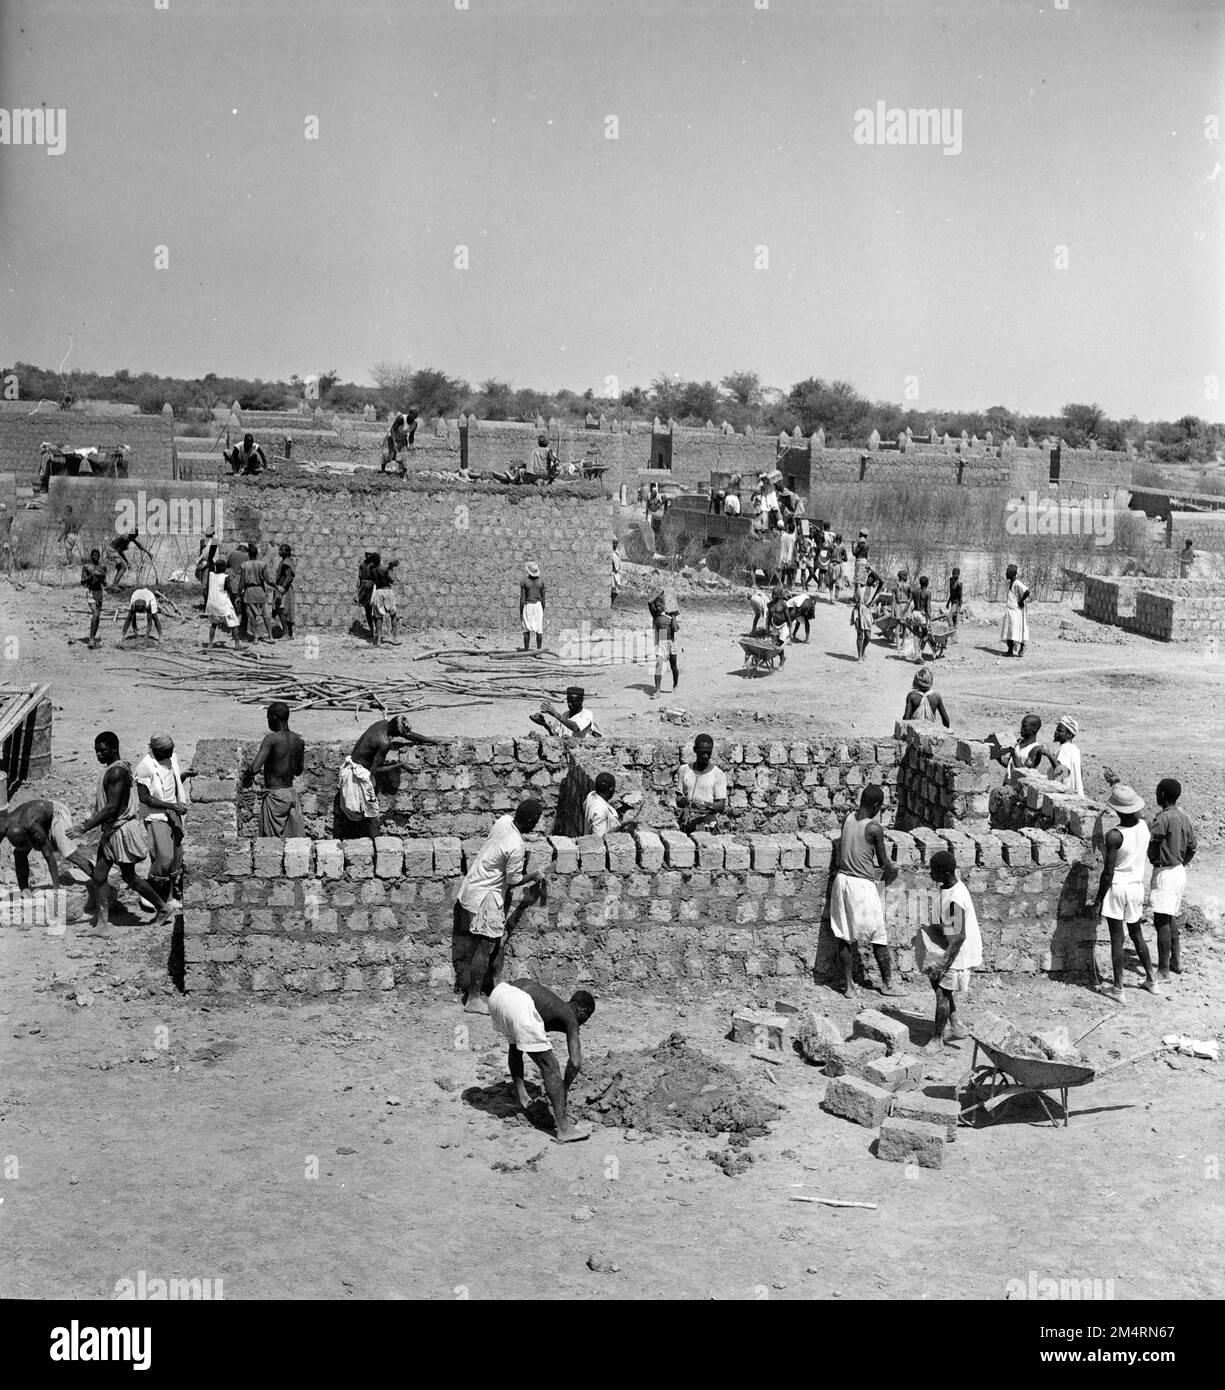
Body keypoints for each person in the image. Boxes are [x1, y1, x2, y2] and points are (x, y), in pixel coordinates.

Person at [67, 731, 173, 928]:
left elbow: (111, 808)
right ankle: (102, 925)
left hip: (120, 831)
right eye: (96, 751)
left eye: (103, 751)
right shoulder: (114, 770)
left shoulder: (116, 773)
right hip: (111, 831)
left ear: (114, 749)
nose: (98, 755)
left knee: (130, 877)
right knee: (99, 877)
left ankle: (162, 907)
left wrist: (84, 827)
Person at [454, 799, 546, 1013]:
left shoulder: (504, 821)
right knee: (485, 946)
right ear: (532, 821)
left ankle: (497, 985)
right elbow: (513, 880)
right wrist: (533, 875)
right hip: (485, 898)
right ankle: (473, 999)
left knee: (498, 940)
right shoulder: (516, 846)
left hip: (474, 887)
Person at [489, 978, 595, 1143]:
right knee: (550, 1066)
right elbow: (575, 1062)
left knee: (515, 1044)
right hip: (518, 1004)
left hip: (500, 995)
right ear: (582, 1011)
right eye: (585, 1019)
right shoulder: (570, 1015)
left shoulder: (552, 1004)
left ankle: (522, 1096)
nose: (582, 1024)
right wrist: (564, 1087)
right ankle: (564, 1129)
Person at [829, 784, 903, 998]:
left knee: (844, 935)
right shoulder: (874, 828)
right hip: (861, 886)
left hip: (841, 881)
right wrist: (893, 869)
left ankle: (849, 986)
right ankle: (887, 984)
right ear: (877, 805)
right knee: (878, 935)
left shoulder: (848, 818)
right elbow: (883, 862)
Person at [1094, 784, 1156, 1001]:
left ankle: (1118, 988)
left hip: (1118, 888)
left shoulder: (1114, 836)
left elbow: (1108, 873)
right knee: (1137, 933)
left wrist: (1099, 899)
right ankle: (1151, 979)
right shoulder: (1144, 827)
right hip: (1137, 887)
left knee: (1116, 939)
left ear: (1117, 810)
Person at [338, 714, 443, 838]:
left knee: (357, 815)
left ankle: (352, 841)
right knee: (370, 815)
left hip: (351, 768)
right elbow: (376, 770)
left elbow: (409, 735)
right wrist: (400, 765)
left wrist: (431, 741)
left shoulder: (383, 724)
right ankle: (376, 848)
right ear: (396, 731)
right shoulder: (384, 742)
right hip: (356, 777)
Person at [918, 850, 982, 1049]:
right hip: (949, 947)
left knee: (942, 994)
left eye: (934, 871)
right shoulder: (948, 887)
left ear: (945, 873)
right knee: (940, 986)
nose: (930, 874)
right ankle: (956, 1026)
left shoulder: (954, 899)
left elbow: (958, 938)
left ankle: (937, 1040)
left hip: (956, 952)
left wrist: (943, 964)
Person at [1147, 778, 1197, 982]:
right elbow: (1193, 846)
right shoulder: (1183, 817)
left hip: (1165, 873)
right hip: (1178, 871)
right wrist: (1182, 862)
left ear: (1163, 795)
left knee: (1161, 921)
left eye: (1157, 791)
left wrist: (1152, 857)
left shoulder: (1163, 819)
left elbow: (1152, 841)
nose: (1156, 794)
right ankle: (1176, 961)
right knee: (1171, 917)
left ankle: (1164, 970)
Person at [134, 732, 190, 910]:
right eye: (166, 751)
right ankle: (150, 892)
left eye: (171, 750)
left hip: (172, 812)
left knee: (176, 857)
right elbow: (145, 798)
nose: (169, 754)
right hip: (156, 817)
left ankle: (170, 896)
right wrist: (172, 806)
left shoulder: (171, 758)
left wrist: (184, 775)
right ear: (155, 751)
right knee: (164, 857)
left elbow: (169, 784)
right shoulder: (144, 767)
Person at [0, 799, 95, 896]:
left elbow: (49, 855)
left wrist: (56, 888)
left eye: (26, 844)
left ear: (27, 836)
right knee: (19, 854)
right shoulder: (3, 826)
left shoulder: (32, 826)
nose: (28, 847)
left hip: (56, 813)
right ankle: (24, 890)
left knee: (69, 854)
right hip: (36, 817)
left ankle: (99, 880)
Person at [246, 701, 306, 837]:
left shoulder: (271, 739)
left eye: (268, 719)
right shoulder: (298, 741)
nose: (268, 723)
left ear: (273, 718)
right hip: (290, 795)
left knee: (272, 844)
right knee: (292, 842)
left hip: (275, 798)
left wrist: (246, 775)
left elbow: (255, 767)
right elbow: (298, 771)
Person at [675, 734, 728, 832]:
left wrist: (706, 804)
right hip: (686, 822)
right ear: (695, 750)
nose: (706, 756)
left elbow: (721, 805)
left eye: (708, 753)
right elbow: (678, 799)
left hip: (707, 825)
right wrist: (685, 801)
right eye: (702, 753)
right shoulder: (684, 770)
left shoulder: (718, 774)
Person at [531, 685, 600, 739]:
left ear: (581, 701)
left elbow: (576, 728)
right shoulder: (564, 715)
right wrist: (545, 725)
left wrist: (555, 714)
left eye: (573, 702)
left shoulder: (587, 714)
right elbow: (556, 737)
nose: (570, 704)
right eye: (568, 701)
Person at [1039, 715, 1083, 796]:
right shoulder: (1075, 749)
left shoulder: (1064, 748)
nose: (1056, 732)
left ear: (1069, 734)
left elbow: (1061, 770)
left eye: (1060, 731)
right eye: (1056, 730)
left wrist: (1048, 754)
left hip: (1066, 792)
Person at [240, 543, 275, 643]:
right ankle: (270, 636)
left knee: (251, 616)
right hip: (260, 591)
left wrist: (238, 594)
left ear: (248, 554)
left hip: (249, 592)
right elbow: (267, 580)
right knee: (266, 615)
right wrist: (275, 586)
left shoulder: (244, 565)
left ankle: (255, 637)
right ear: (257, 554)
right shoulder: (261, 564)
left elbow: (242, 582)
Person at [583, 772, 635, 837]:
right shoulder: (600, 811)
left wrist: (616, 798)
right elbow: (599, 839)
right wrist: (622, 823)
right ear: (611, 789)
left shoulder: (591, 795)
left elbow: (591, 805)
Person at [995, 714, 1044, 784]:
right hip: (1008, 784)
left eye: (1025, 726)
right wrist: (998, 755)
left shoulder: (1036, 749)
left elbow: (1024, 773)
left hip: (1019, 789)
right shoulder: (1018, 742)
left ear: (1034, 728)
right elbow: (1009, 764)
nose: (1021, 728)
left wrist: (1013, 752)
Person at [649, 586, 679, 697]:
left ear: (664, 605)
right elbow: (649, 601)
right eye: (656, 606)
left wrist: (674, 616)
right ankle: (657, 691)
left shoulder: (670, 615)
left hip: (671, 640)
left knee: (674, 666)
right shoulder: (655, 615)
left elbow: (675, 629)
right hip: (661, 640)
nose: (657, 608)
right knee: (658, 667)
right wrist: (660, 592)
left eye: (660, 606)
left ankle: (675, 685)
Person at [206, 557, 241, 648]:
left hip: (212, 604)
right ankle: (237, 644)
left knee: (214, 624)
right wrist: (235, 599)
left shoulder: (211, 575)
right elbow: (229, 590)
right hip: (223, 603)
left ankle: (210, 644)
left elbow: (210, 563)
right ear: (224, 567)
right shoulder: (226, 577)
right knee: (234, 623)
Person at [1000, 563, 1030, 658]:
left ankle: (1019, 648)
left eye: (1007, 573)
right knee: (1009, 630)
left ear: (1012, 574)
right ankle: (1010, 650)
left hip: (1016, 611)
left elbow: (1027, 591)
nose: (1006, 574)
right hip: (1010, 610)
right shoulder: (1011, 583)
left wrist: (1021, 601)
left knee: (1015, 630)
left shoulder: (1017, 583)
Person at [80, 548, 107, 650]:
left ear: (99, 556)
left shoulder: (103, 567)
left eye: (97, 555)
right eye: (94, 555)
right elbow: (82, 581)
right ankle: (91, 639)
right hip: (90, 591)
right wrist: (90, 577)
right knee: (95, 614)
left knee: (98, 617)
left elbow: (104, 583)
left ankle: (94, 638)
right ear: (91, 556)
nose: (95, 557)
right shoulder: (86, 567)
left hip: (99, 592)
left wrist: (101, 579)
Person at [370, 556, 400, 646]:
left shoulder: (372, 571)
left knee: (379, 617)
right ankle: (395, 638)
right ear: (379, 560)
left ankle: (379, 640)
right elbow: (391, 580)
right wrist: (390, 569)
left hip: (378, 592)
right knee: (393, 615)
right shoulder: (384, 569)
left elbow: (376, 578)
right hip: (387, 591)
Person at [272, 544, 296, 640]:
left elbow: (289, 576)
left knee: (282, 611)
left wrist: (283, 588)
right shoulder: (286, 561)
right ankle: (289, 633)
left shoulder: (286, 562)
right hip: (283, 588)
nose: (279, 551)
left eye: (281, 550)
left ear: (286, 552)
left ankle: (286, 633)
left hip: (283, 589)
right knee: (283, 611)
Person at [520, 562, 546, 652]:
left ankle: (526, 651)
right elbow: (543, 599)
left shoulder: (524, 582)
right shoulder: (541, 582)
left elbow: (522, 599)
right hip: (538, 605)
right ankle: (538, 651)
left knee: (527, 629)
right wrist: (542, 609)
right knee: (539, 629)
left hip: (528, 605)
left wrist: (521, 611)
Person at [765, 586, 790, 666]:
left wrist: (791, 631)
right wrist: (767, 630)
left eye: (775, 594)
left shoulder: (783, 604)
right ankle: (782, 658)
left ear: (779, 595)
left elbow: (788, 617)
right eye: (773, 594)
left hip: (784, 626)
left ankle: (781, 662)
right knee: (774, 645)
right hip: (775, 626)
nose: (773, 596)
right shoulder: (770, 605)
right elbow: (768, 618)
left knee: (779, 645)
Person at [194, 526, 220, 603]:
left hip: (206, 564)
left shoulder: (203, 541)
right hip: (208, 564)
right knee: (207, 585)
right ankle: (207, 603)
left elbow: (202, 554)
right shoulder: (213, 541)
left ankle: (208, 603)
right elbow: (209, 555)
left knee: (205, 585)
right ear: (213, 534)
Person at [356, 551, 378, 636]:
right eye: (366, 554)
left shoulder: (375, 565)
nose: (368, 555)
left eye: (369, 554)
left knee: (375, 610)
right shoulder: (362, 565)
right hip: (365, 588)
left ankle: (377, 629)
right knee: (367, 610)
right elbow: (359, 578)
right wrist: (358, 589)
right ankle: (371, 630)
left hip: (373, 587)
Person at [646, 484, 666, 550]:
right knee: (651, 531)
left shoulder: (657, 500)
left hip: (656, 517)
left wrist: (661, 504)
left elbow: (660, 507)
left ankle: (658, 546)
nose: (652, 494)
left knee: (657, 532)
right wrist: (646, 517)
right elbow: (647, 508)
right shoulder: (649, 500)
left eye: (653, 493)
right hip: (652, 516)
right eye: (652, 493)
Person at [610, 537, 622, 606]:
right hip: (612, 573)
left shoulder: (618, 553)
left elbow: (620, 563)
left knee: (616, 590)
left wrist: (620, 571)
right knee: (612, 588)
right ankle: (610, 604)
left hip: (617, 573)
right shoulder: (611, 553)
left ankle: (613, 604)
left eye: (616, 543)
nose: (615, 545)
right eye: (613, 543)